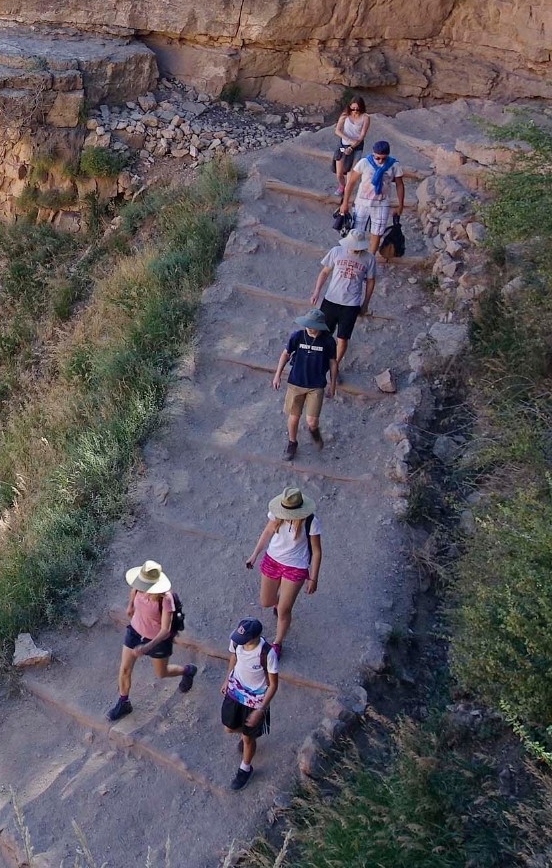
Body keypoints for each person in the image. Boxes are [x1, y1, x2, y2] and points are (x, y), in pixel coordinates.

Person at [107, 559, 198, 722]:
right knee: (125, 668)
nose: (141, 585)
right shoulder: (139, 586)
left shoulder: (165, 600)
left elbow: (165, 630)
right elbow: (133, 591)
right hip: (135, 631)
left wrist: (147, 647)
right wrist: (130, 606)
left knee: (162, 673)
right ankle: (123, 702)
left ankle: (187, 670)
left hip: (156, 639)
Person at [243, 486, 322, 658]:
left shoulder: (311, 522)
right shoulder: (277, 515)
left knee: (285, 610)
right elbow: (267, 532)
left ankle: (277, 643)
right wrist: (254, 554)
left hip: (296, 567)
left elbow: (316, 551)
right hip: (273, 560)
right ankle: (280, 603)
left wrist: (313, 578)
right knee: (266, 601)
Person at [220, 617, 279, 790]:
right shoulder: (237, 642)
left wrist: (261, 709)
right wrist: (227, 679)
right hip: (235, 691)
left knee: (247, 738)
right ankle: (250, 733)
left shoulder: (267, 654)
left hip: (255, 700)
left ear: (254, 638)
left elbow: (274, 685)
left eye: (244, 640)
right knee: (228, 727)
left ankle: (245, 768)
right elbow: (234, 657)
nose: (239, 642)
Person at [271, 310, 335, 462]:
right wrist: (277, 374)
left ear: (320, 326)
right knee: (294, 417)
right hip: (296, 383)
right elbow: (285, 354)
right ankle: (292, 443)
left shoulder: (328, 341)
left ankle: (314, 432)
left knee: (312, 421)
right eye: (308, 325)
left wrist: (333, 383)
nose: (310, 328)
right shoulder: (297, 337)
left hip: (316, 385)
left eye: (313, 326)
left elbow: (333, 362)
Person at [309, 231, 377, 371]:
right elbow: (325, 272)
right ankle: (318, 361)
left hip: (351, 304)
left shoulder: (369, 259)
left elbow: (371, 281)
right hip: (331, 299)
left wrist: (365, 303)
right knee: (321, 332)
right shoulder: (337, 251)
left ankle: (334, 366)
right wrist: (317, 291)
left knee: (343, 338)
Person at [338, 139, 406, 256]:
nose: (380, 161)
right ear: (373, 154)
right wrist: (345, 203)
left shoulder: (394, 165)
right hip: (362, 202)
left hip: (381, 203)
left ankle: (370, 258)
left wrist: (401, 205)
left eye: (383, 158)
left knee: (377, 232)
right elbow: (351, 183)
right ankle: (354, 255)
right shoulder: (364, 162)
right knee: (356, 231)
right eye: (378, 158)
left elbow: (399, 185)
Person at [331, 97, 370, 186]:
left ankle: (347, 191)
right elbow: (337, 130)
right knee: (339, 173)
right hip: (344, 144)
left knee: (351, 171)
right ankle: (342, 186)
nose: (355, 111)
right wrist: (348, 140)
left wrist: (352, 146)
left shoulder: (365, 117)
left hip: (357, 146)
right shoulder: (345, 116)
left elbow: (362, 135)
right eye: (353, 108)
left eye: (357, 109)